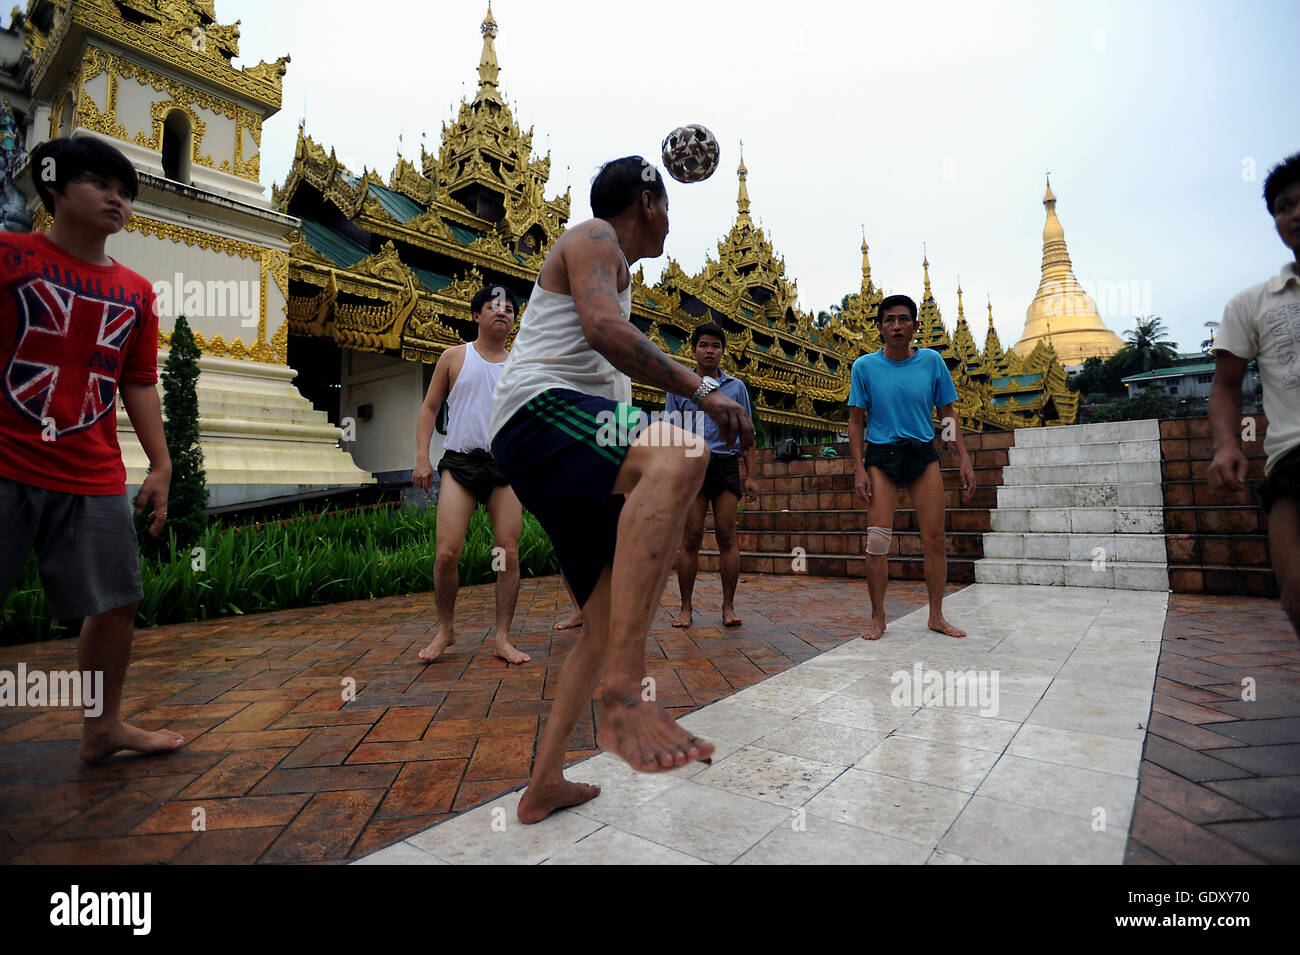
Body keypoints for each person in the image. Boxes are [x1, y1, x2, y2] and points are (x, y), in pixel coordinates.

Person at [489, 156, 754, 823]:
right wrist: (702, 389)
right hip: (538, 413)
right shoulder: (596, 238)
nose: (671, 219)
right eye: (668, 204)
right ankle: (625, 695)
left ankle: (544, 783)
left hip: (567, 443)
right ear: (647, 201)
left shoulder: (618, 267)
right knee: (683, 450)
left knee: (600, 625)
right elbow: (603, 330)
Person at [0, 136, 183, 762]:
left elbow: (137, 379)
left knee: (118, 600)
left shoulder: (135, 291)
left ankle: (101, 726)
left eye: (126, 193)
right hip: (6, 460)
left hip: (91, 468)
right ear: (52, 186)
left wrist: (161, 463)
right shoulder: (9, 257)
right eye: (100, 184)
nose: (117, 200)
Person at [1208, 151, 1300, 639]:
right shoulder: (1251, 304)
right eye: (1285, 206)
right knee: (1297, 595)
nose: (1296, 214)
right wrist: (1227, 445)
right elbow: (1226, 385)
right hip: (1291, 457)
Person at [413, 285, 531, 665]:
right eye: (494, 307)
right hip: (460, 463)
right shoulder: (454, 357)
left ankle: (502, 637)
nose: (503, 313)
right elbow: (430, 408)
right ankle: (446, 630)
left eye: (510, 309)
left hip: (504, 467)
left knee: (506, 551)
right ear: (476, 315)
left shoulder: (519, 365)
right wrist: (422, 458)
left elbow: (530, 419)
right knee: (448, 553)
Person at [848, 294, 975, 640]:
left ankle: (936, 615)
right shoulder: (864, 367)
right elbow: (856, 421)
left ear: (916, 326)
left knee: (934, 538)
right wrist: (859, 468)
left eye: (904, 319)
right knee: (877, 540)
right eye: (889, 320)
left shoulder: (932, 362)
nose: (897, 326)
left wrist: (962, 456)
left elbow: (948, 413)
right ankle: (878, 617)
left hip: (922, 452)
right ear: (880, 328)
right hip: (882, 454)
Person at [666, 322, 759, 628]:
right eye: (704, 345)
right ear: (693, 350)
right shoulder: (680, 385)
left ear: (722, 352)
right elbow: (670, 433)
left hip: (725, 463)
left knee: (726, 534)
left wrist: (752, 475)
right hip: (692, 464)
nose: (710, 351)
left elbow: (747, 435)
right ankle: (685, 607)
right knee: (691, 538)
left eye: (716, 346)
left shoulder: (736, 388)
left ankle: (728, 605)